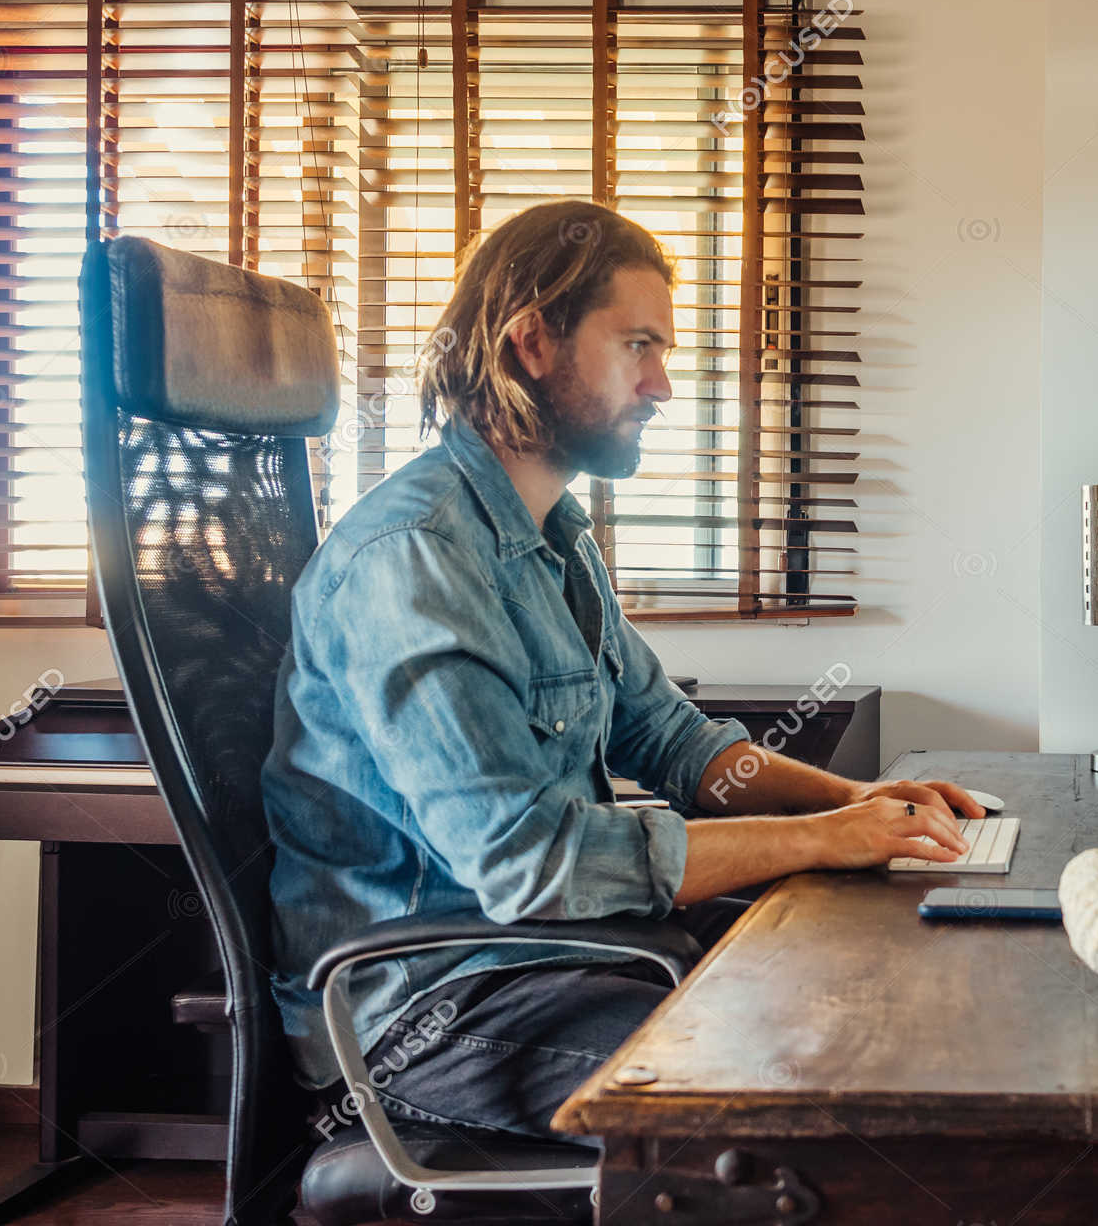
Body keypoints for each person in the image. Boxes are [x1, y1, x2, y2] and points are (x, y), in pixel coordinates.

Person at [261, 200, 985, 1144]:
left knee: (874, 981)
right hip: (432, 1012)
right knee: (816, 1083)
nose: (663, 384)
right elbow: (536, 864)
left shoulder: (556, 537)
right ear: (532, 344)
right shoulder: (413, 561)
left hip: (551, 958)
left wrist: (860, 802)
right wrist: (824, 837)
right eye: (639, 345)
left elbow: (670, 737)